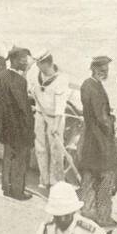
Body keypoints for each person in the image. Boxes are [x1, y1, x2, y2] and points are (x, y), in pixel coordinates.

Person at [78, 54, 117, 225]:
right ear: (94, 69)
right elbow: (101, 116)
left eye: (107, 70)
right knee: (106, 178)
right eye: (103, 70)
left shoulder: (87, 85)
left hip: (89, 140)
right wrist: (112, 122)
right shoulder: (94, 88)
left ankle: (86, 210)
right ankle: (103, 216)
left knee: (88, 177)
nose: (105, 72)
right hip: (100, 142)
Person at [0, 46, 34, 201]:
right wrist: (30, 128)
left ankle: (6, 187)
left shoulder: (1, 76)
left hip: (6, 125)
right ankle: (18, 191)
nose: (26, 62)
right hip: (19, 128)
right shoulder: (19, 81)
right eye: (23, 59)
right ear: (14, 60)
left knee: (8, 158)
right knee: (20, 160)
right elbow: (22, 108)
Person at [29, 51, 70, 190]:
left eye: (40, 65)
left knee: (56, 149)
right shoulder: (36, 73)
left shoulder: (62, 80)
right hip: (40, 114)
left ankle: (56, 181)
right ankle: (44, 179)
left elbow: (60, 105)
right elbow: (32, 89)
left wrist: (56, 126)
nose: (38, 67)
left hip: (55, 118)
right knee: (40, 147)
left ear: (48, 63)